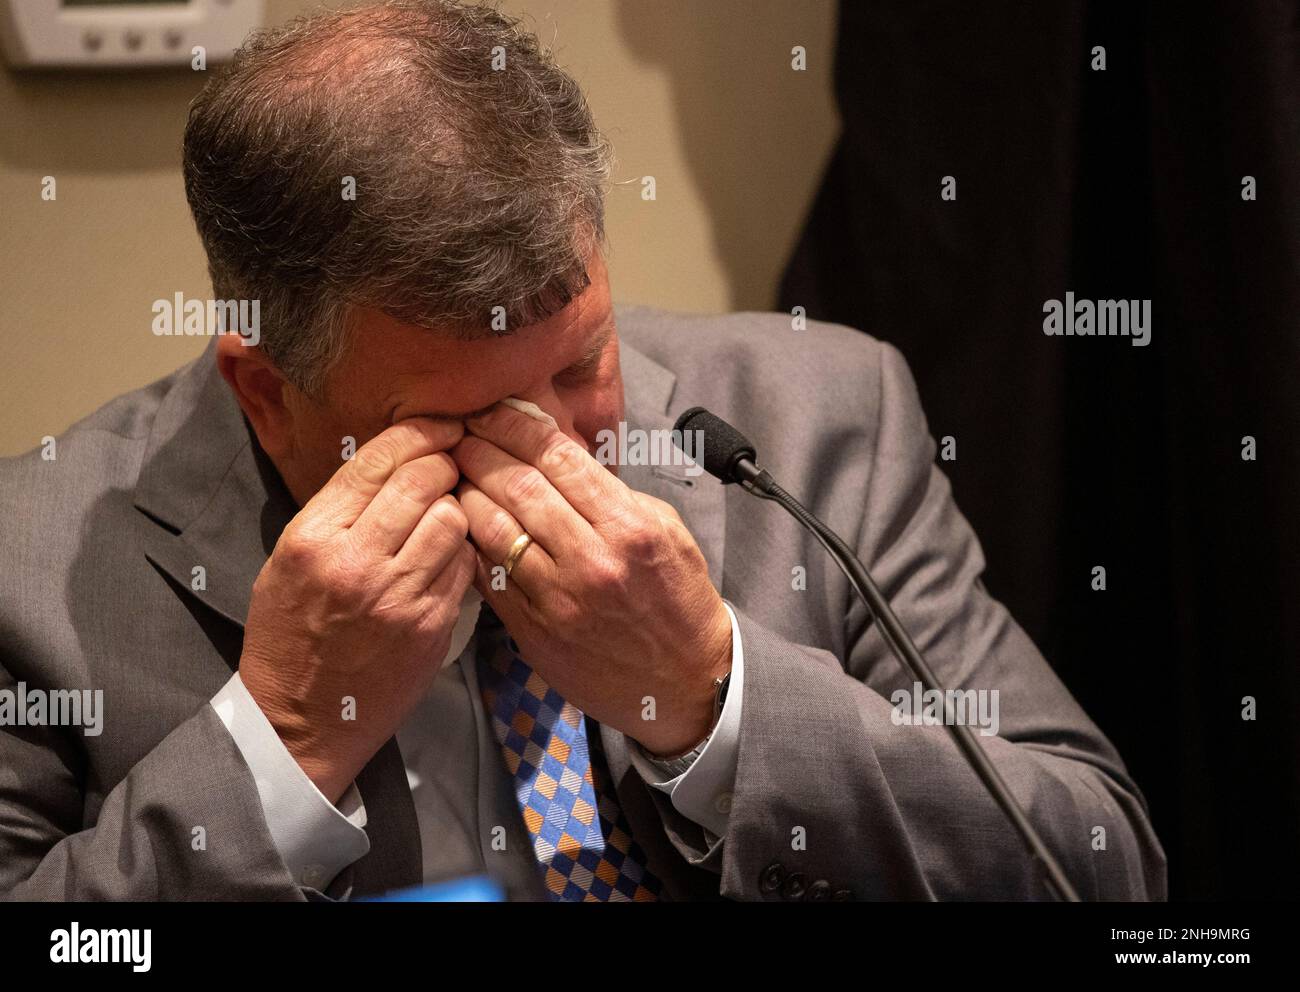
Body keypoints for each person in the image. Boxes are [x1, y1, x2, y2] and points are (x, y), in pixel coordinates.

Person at [0, 0, 1165, 901]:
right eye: (459, 419)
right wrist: (282, 743)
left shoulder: (822, 418)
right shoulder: (30, 565)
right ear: (267, 393)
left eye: (578, 365)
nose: (549, 447)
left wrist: (718, 699)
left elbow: (1096, 857)